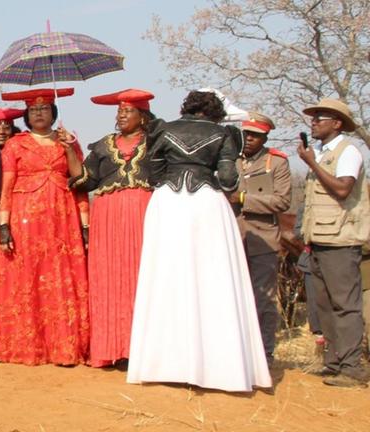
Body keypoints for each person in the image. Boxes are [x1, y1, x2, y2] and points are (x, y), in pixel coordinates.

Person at [127, 90, 271, 393]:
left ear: (187, 108)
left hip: (167, 203)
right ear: (215, 110)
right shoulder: (224, 133)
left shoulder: (161, 129)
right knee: (213, 279)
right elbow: (230, 180)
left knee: (164, 278)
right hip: (206, 202)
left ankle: (163, 364)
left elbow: (153, 174)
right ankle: (219, 367)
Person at [0, 88, 89, 365]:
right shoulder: (16, 145)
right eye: (33, 110)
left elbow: (79, 181)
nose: (39, 113)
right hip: (24, 218)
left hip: (61, 219)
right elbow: (6, 186)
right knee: (26, 278)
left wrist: (70, 148)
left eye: (44, 109)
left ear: (54, 113)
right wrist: (4, 225)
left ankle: (63, 347)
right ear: (27, 117)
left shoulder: (68, 141)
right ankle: (23, 346)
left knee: (58, 276)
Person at [67, 89, 155, 368]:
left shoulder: (156, 142)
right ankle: (112, 347)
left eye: (128, 111)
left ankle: (142, 347)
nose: (121, 116)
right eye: (119, 111)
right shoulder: (105, 145)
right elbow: (84, 180)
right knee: (109, 277)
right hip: (107, 217)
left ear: (143, 116)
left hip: (144, 214)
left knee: (141, 276)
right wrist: (69, 148)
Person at [297, 99, 369, 387]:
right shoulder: (323, 152)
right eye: (313, 117)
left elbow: (342, 189)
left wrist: (311, 162)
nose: (313, 122)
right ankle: (334, 362)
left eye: (320, 117)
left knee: (345, 305)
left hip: (340, 240)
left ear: (337, 123)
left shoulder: (348, 151)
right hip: (319, 239)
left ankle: (351, 367)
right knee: (324, 305)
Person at [227, 112, 291, 365]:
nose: (249, 139)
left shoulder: (276, 163)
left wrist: (243, 199)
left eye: (255, 135)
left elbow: (282, 201)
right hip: (231, 235)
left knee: (262, 296)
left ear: (265, 137)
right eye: (246, 134)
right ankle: (236, 348)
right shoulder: (230, 158)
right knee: (232, 294)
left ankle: (264, 352)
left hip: (262, 239)